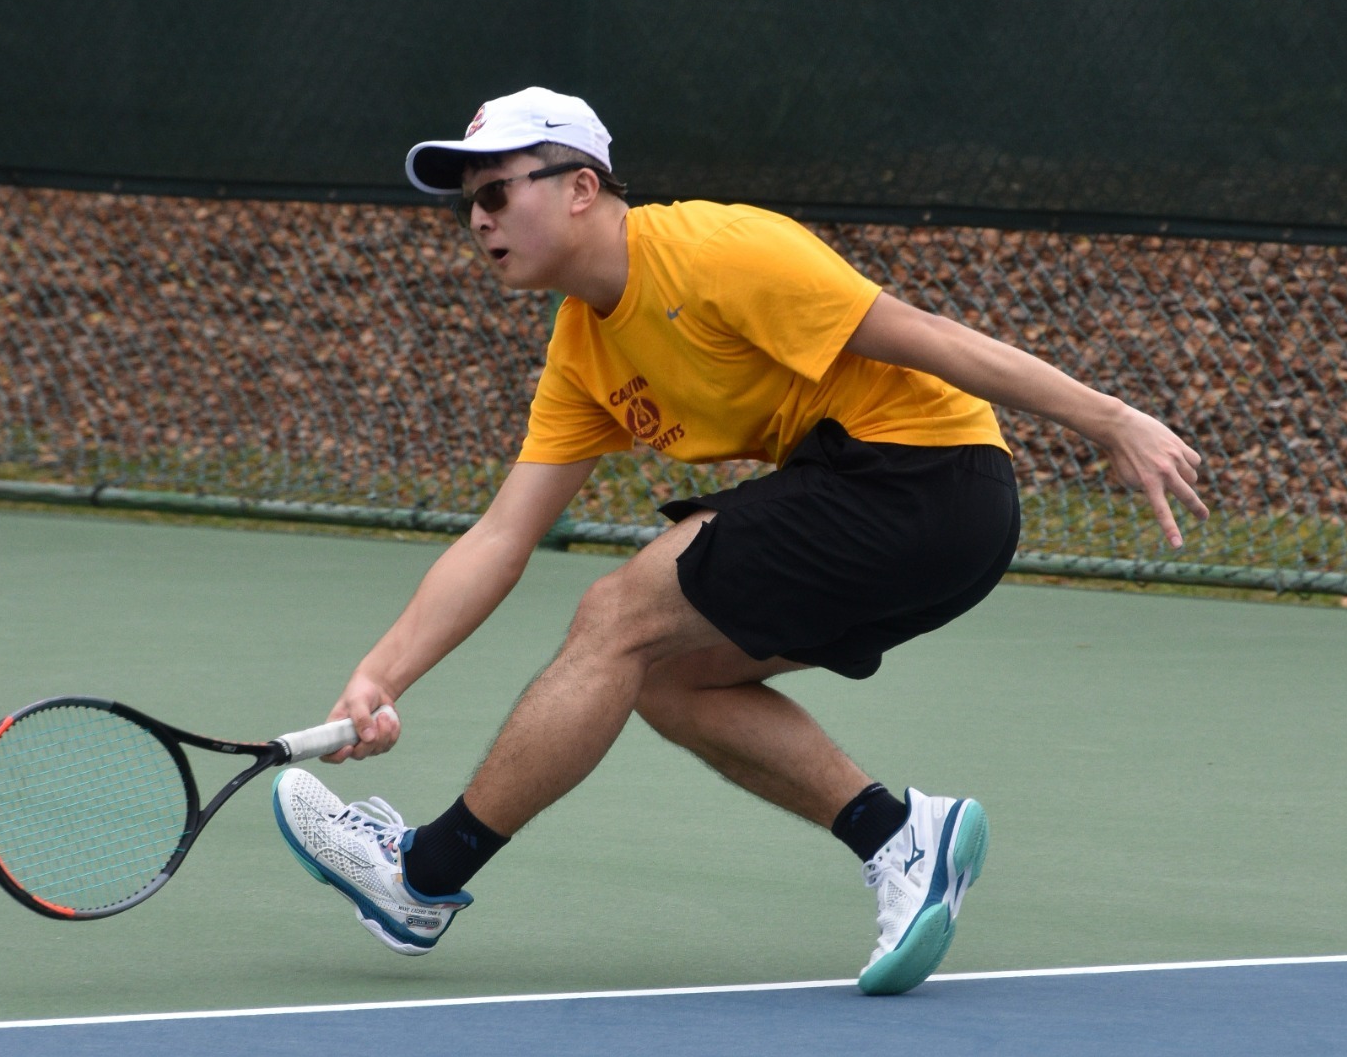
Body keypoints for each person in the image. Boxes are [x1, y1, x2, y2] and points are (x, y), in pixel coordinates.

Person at [272, 87, 1207, 996]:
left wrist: (1110, 419)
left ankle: (423, 876)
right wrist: (382, 674)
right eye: (467, 203)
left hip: (926, 478)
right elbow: (501, 536)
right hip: (896, 515)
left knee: (619, 615)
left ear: (581, 187)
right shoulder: (582, 351)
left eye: (496, 191)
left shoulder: (717, 251)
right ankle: (898, 839)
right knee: (666, 675)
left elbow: (923, 335)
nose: (478, 218)